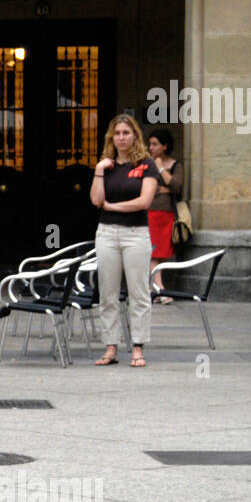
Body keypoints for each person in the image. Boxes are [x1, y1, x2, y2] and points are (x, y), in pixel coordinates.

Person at [89, 113, 159, 368]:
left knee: (138, 292)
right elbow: (96, 201)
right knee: (107, 293)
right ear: (112, 137)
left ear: (134, 136)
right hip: (106, 233)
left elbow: (144, 202)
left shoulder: (146, 164)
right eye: (117, 133)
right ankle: (110, 348)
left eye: (126, 133)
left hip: (135, 234)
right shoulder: (106, 166)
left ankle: (138, 348)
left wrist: (113, 206)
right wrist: (98, 170)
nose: (121, 138)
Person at [146, 129, 184, 302]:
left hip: (167, 214)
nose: (151, 147)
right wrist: (160, 188)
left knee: (160, 254)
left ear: (165, 146)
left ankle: (151, 290)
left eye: (155, 144)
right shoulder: (146, 163)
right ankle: (161, 290)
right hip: (150, 213)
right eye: (150, 144)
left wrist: (161, 167)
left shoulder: (176, 165)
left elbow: (176, 185)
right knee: (153, 253)